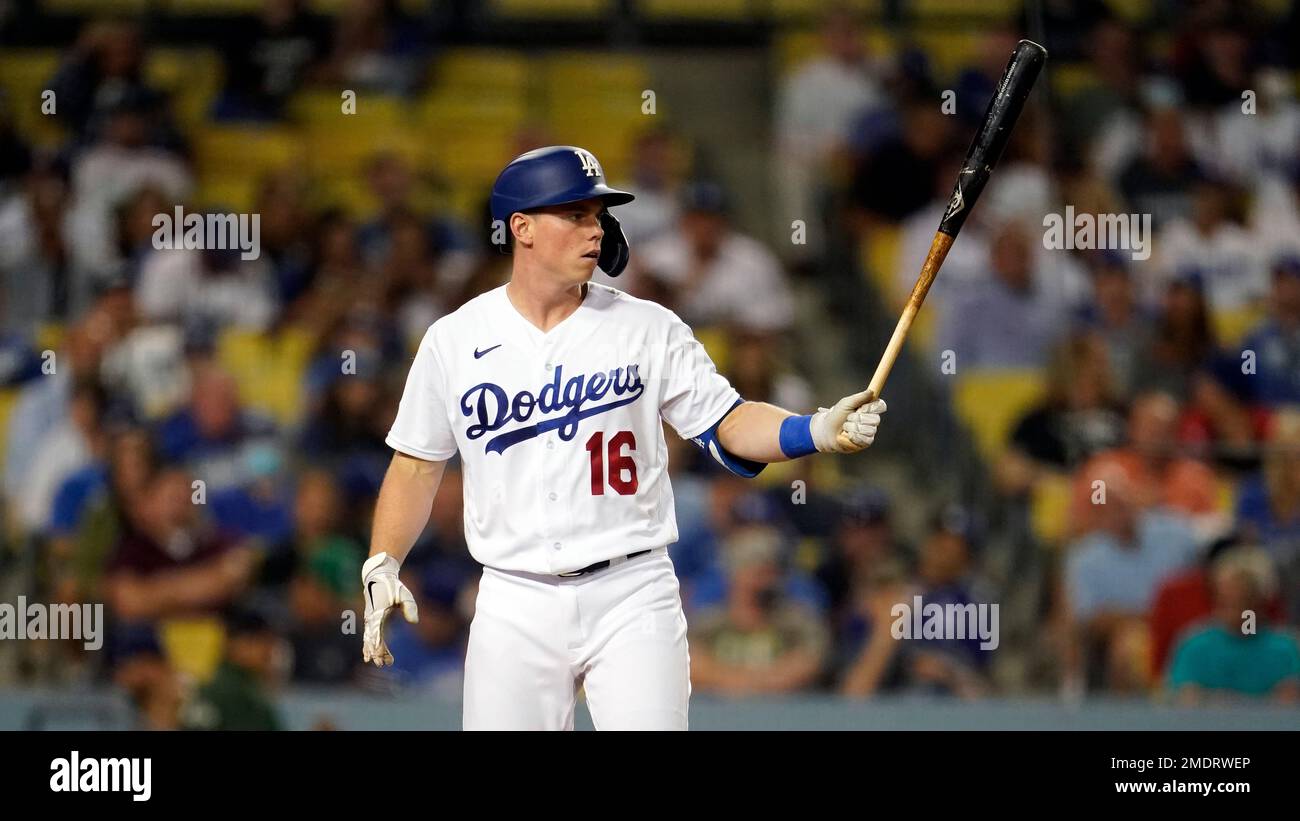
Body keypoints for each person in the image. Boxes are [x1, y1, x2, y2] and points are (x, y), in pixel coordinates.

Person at [360, 146, 888, 730]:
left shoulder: (647, 327)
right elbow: (415, 465)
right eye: (577, 215)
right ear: (522, 227)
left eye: (597, 216)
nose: (595, 230)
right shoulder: (453, 340)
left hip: (631, 590)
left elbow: (729, 421)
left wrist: (814, 429)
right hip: (514, 596)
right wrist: (384, 560)